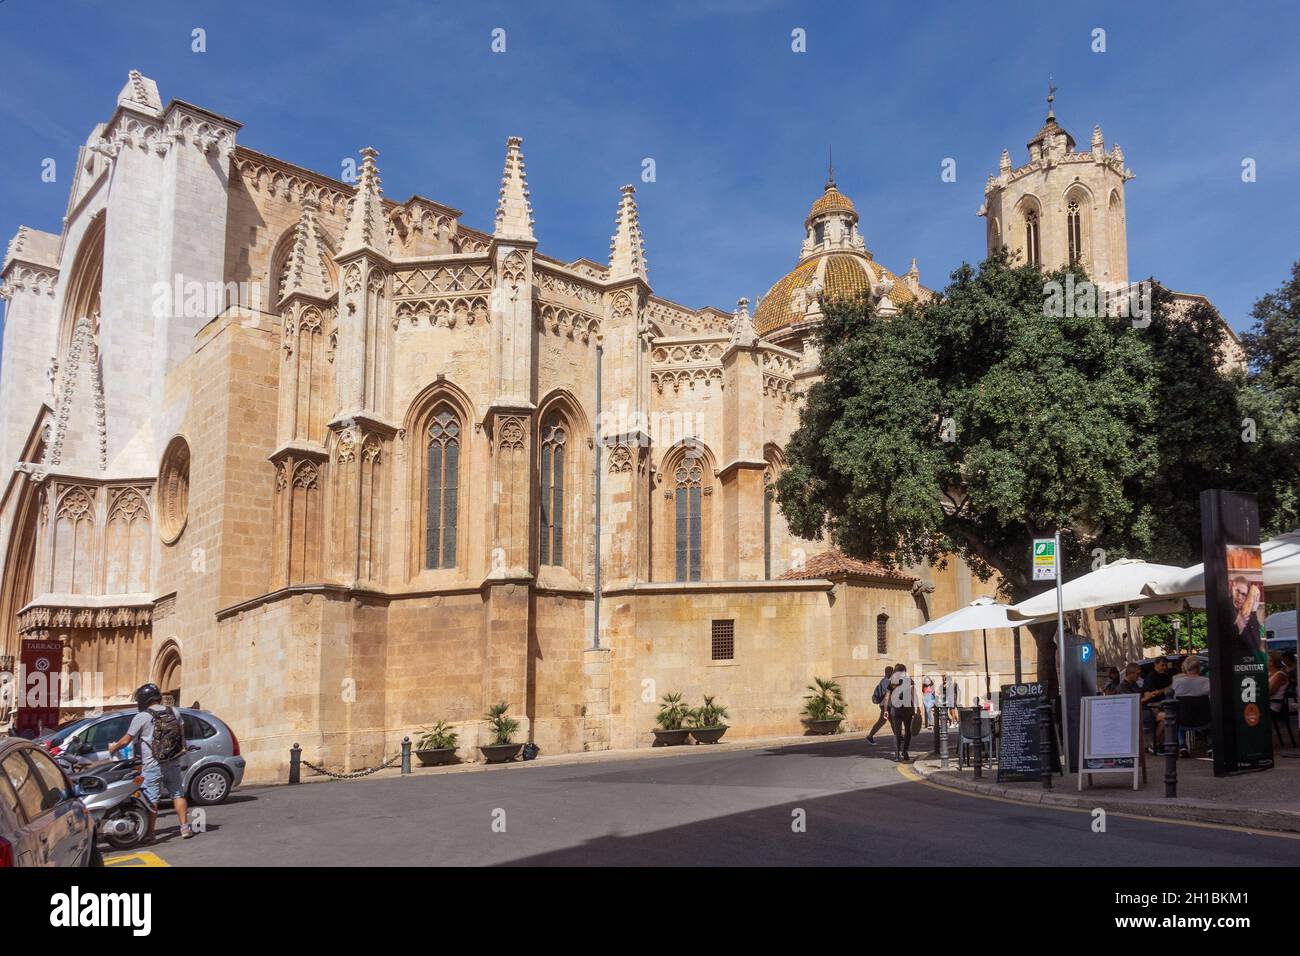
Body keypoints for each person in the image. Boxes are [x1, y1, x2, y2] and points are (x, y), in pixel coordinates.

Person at [107, 683, 192, 842]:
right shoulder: (174, 711)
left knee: (152, 799)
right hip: (172, 761)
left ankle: (151, 834)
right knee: (177, 794)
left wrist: (113, 748)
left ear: (143, 700)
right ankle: (185, 828)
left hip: (152, 764)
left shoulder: (142, 717)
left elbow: (126, 740)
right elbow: (181, 734)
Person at [1160, 657, 1210, 754]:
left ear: (1186, 668)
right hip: (1204, 719)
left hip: (1184, 719)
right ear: (1199, 668)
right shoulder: (1206, 682)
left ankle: (1183, 745)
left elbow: (1173, 698)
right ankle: (1210, 744)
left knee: (1177, 715)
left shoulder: (1178, 682)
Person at [887, 663, 919, 762]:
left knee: (897, 733)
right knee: (908, 732)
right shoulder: (909, 681)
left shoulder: (892, 682)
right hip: (907, 709)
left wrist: (886, 710)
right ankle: (904, 752)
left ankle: (897, 755)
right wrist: (918, 708)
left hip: (895, 710)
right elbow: (914, 695)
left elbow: (887, 697)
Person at [1140, 657, 1173, 753]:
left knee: (1165, 721)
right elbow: (1148, 694)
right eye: (1162, 665)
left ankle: (1157, 744)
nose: (1164, 667)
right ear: (1155, 665)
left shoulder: (1166, 676)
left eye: (1165, 665)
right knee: (1168, 717)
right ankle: (1154, 743)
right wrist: (1165, 689)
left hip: (1164, 705)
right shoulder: (1150, 678)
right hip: (1152, 706)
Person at [865, 666, 894, 746]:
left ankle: (899, 736)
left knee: (886, 720)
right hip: (885, 704)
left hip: (886, 704)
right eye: (891, 671)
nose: (892, 673)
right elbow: (887, 694)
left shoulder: (886, 681)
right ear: (888, 672)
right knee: (888, 720)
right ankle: (870, 736)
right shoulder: (885, 681)